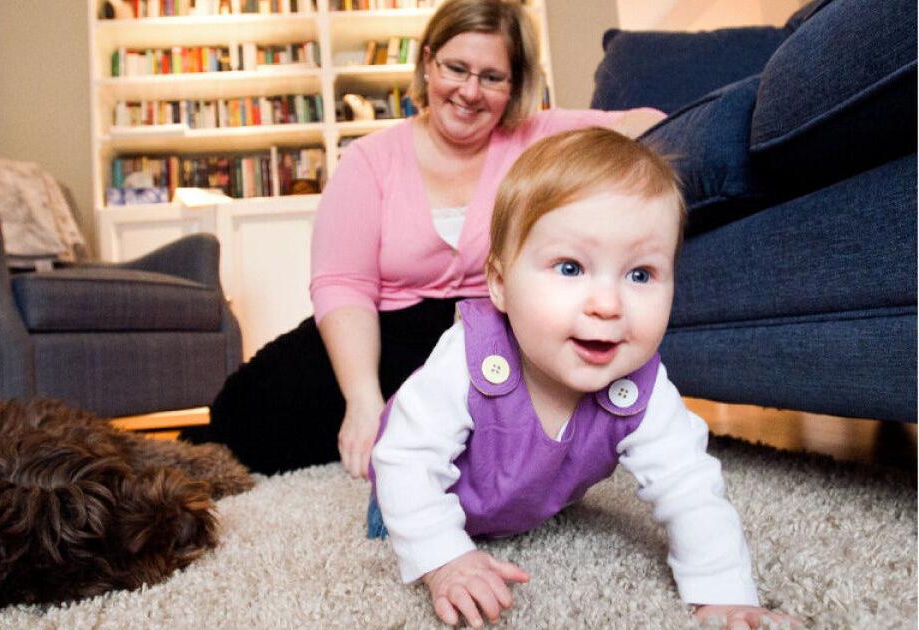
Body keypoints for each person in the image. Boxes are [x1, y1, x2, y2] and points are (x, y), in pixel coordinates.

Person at [181, 0, 664, 476]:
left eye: (492, 77)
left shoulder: (538, 136)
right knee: (241, 415)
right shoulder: (369, 158)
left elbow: (650, 124)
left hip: (489, 341)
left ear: (514, 84)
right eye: (456, 68)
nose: (470, 92)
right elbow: (342, 284)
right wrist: (363, 400)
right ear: (428, 63)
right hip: (382, 335)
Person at [368, 128, 801, 629]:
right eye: (570, 267)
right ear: (502, 285)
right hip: (421, 491)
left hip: (525, 503)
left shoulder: (639, 386)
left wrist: (725, 594)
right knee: (402, 515)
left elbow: (689, 484)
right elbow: (406, 459)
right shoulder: (467, 358)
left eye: (640, 274)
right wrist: (444, 560)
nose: (608, 305)